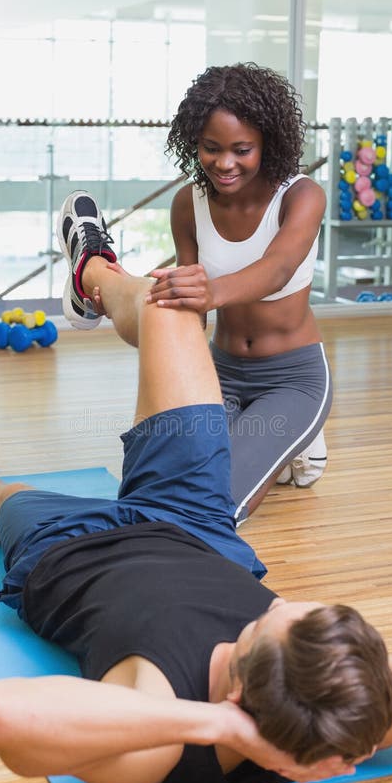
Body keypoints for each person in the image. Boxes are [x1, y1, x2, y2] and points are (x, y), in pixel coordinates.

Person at [0, 191, 392, 783]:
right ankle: (92, 272)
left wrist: (218, 724)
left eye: (276, 616)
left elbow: (4, 714)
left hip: (71, 549)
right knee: (171, 302)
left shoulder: (158, 738)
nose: (278, 602)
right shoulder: (335, 709)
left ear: (242, 695)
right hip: (195, 523)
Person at [145, 62, 331, 522]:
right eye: (211, 148)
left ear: (268, 142)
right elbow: (193, 310)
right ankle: (282, 446)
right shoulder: (189, 203)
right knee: (166, 480)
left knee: (214, 502)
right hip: (220, 373)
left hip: (292, 378)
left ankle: (299, 441)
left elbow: (277, 269)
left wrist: (207, 291)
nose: (224, 164)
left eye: (241, 150)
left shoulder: (301, 196)